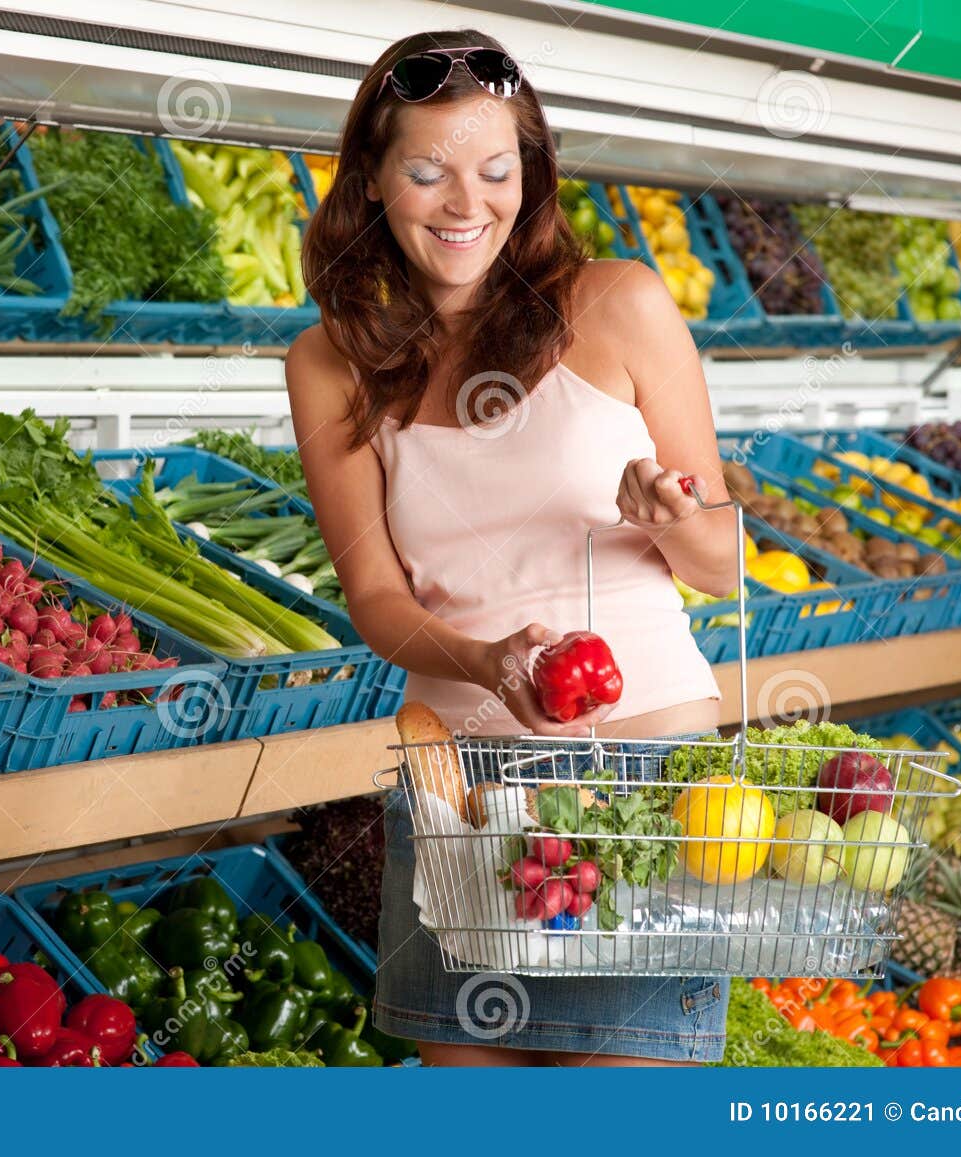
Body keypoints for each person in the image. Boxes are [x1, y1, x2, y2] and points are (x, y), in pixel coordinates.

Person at [285, 28, 738, 1066]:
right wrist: (485, 660)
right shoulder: (328, 362)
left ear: (529, 177)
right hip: (461, 791)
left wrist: (675, 517)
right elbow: (376, 597)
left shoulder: (618, 302)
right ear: (370, 180)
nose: (464, 203)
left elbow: (721, 565)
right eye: (426, 171)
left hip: (642, 771)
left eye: (495, 171)